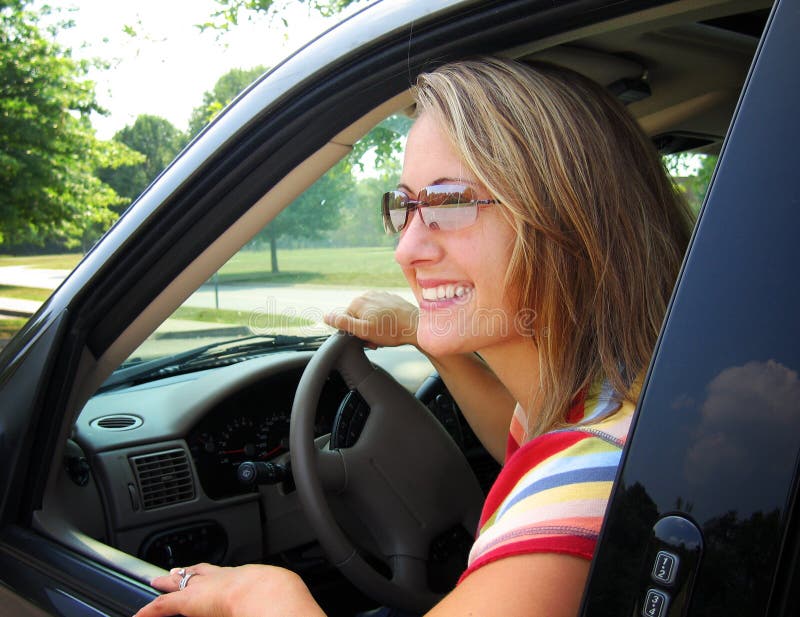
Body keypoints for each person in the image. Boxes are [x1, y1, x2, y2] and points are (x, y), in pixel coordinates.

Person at [134, 57, 691, 617]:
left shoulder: (589, 484)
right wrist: (424, 336)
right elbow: (518, 441)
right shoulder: (606, 400)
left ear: (572, 219)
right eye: (404, 206)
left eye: (451, 203)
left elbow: (557, 475)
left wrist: (261, 596)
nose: (405, 249)